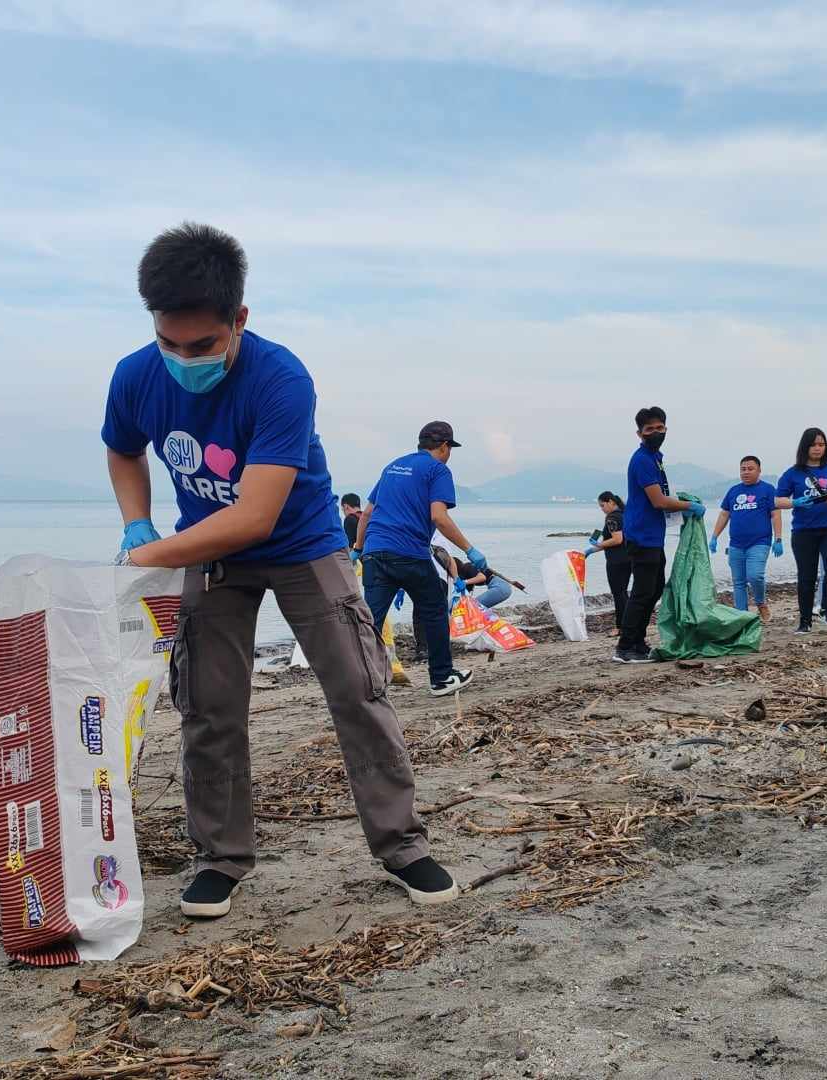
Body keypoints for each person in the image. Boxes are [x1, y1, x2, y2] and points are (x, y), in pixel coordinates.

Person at [105, 223, 456, 923]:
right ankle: (220, 858)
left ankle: (401, 843)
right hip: (207, 552)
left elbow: (255, 516)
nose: (181, 359)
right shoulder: (136, 375)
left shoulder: (281, 379)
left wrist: (146, 556)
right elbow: (123, 449)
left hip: (302, 543)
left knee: (358, 687)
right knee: (207, 704)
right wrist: (136, 521)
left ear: (239, 320)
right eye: (167, 342)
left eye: (200, 346)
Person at [357, 422, 485, 697]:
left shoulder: (393, 466)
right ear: (443, 447)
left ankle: (359, 684)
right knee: (434, 610)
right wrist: (469, 549)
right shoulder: (438, 469)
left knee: (371, 620)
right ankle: (441, 678)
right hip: (409, 554)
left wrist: (358, 548)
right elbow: (438, 517)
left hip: (374, 553)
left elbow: (367, 514)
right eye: (449, 448)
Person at [616, 406, 702, 662]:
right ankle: (624, 647)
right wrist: (688, 506)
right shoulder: (642, 460)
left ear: (666, 429)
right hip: (641, 535)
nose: (655, 432)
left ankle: (639, 642)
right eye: (649, 429)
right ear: (639, 433)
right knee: (643, 591)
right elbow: (658, 501)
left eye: (659, 428)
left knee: (653, 590)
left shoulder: (656, 458)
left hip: (654, 536)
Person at [774, 427, 827, 634]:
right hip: (804, 531)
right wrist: (795, 502)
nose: (818, 448)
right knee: (806, 576)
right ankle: (805, 619)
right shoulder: (793, 473)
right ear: (805, 446)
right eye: (814, 445)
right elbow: (777, 500)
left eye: (821, 444)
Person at [709, 456, 782, 621]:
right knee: (738, 582)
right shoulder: (734, 491)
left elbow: (776, 514)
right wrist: (714, 536)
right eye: (743, 469)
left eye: (750, 468)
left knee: (755, 576)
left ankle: (760, 602)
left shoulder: (768, 490)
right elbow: (724, 514)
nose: (746, 472)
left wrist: (778, 539)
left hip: (759, 542)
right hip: (736, 545)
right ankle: (741, 617)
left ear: (759, 470)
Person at [583, 491, 630, 632]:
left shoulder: (612, 518)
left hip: (616, 561)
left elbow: (617, 539)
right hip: (628, 558)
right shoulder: (625, 514)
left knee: (618, 594)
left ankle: (620, 627)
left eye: (602, 505)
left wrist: (596, 545)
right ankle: (628, 624)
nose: (602, 509)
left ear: (611, 502)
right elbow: (614, 541)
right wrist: (592, 550)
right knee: (623, 593)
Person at [433, 546, 524, 610]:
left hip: (500, 587)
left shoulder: (467, 567)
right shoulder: (463, 574)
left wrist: (464, 582)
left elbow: (482, 577)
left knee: (472, 608)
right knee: (469, 607)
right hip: (500, 587)